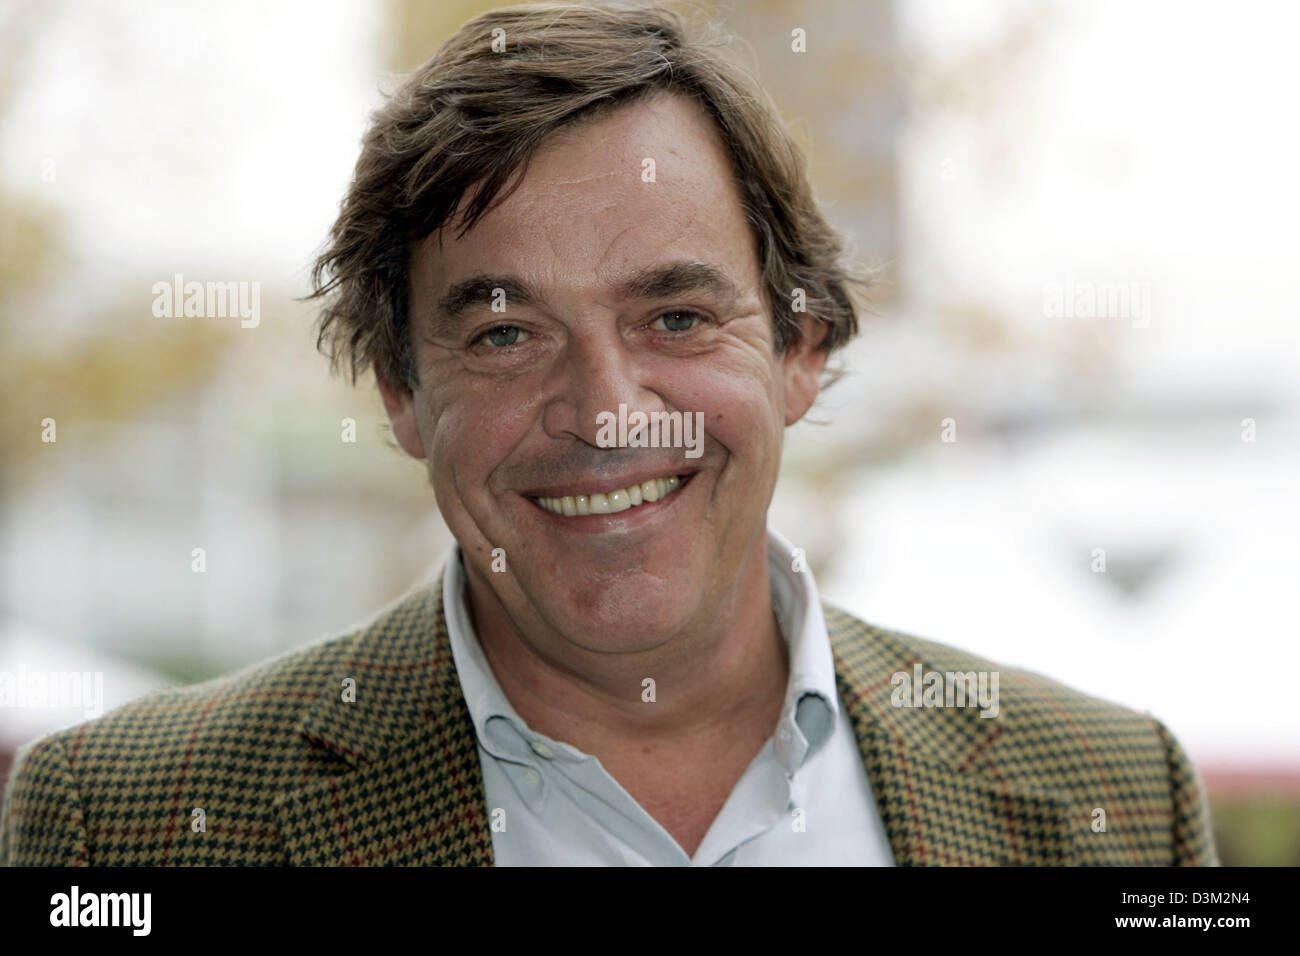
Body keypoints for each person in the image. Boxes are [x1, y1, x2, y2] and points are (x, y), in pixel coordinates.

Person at [0, 1, 1216, 866]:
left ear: (802, 347)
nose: (607, 410)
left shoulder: (1109, 797)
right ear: (401, 393)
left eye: (676, 314)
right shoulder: (129, 821)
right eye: (503, 333)